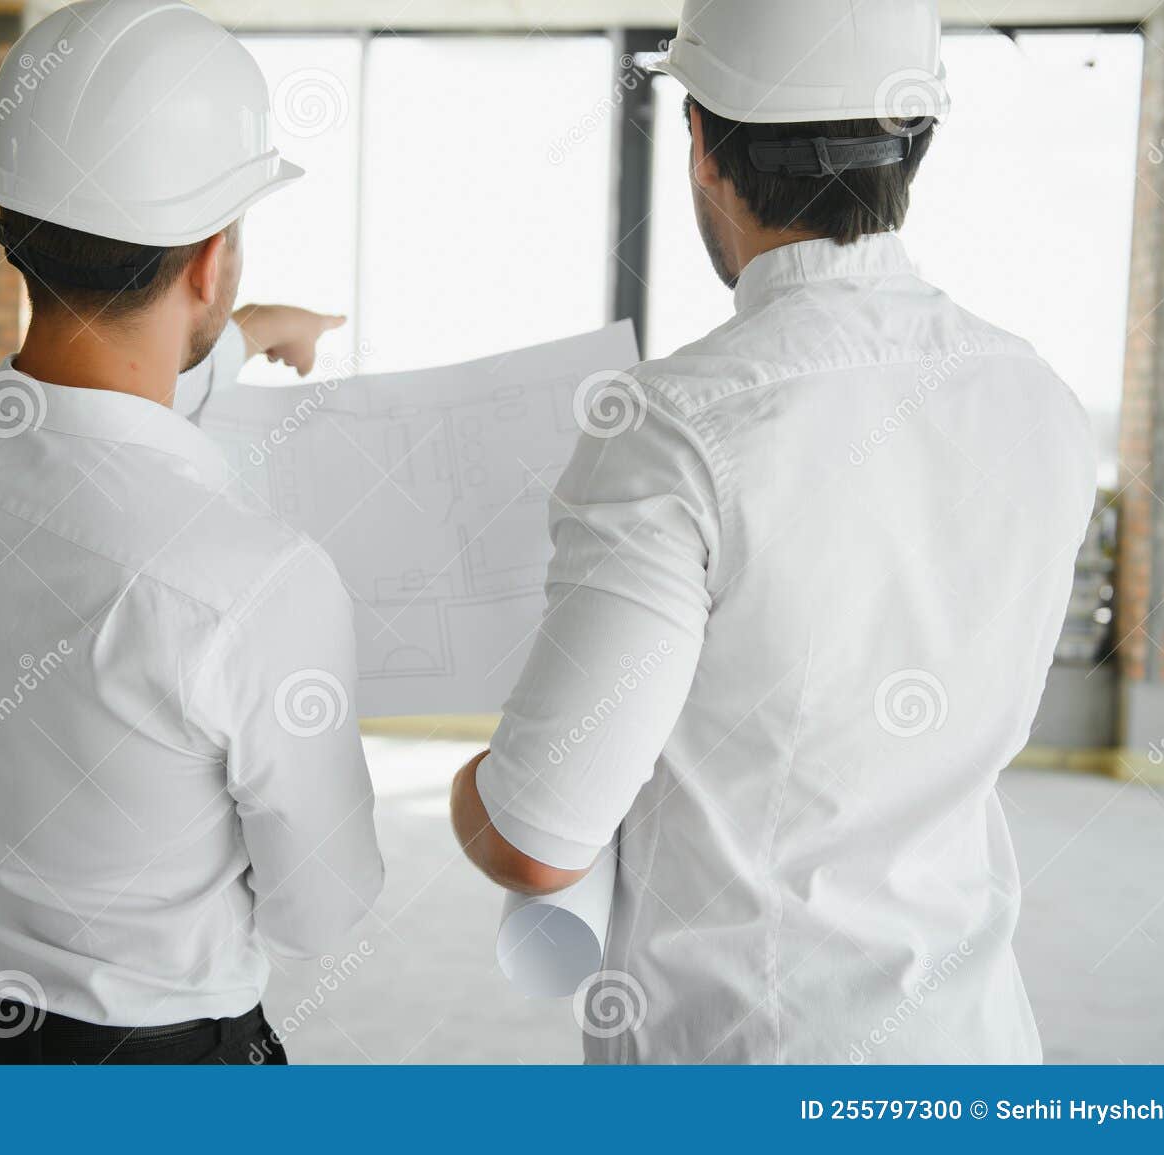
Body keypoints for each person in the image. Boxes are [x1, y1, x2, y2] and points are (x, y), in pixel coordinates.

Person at [451, 0, 1096, 1063]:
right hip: (971, 1048)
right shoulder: (1037, 399)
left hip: (754, 1055)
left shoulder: (671, 427)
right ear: (919, 141)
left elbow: (536, 845)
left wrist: (485, 787)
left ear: (702, 142)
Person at [0, 0, 382, 1064]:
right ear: (212, 262)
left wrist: (230, 340)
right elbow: (323, 913)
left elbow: (73, 433)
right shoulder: (253, 582)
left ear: (10, 227)